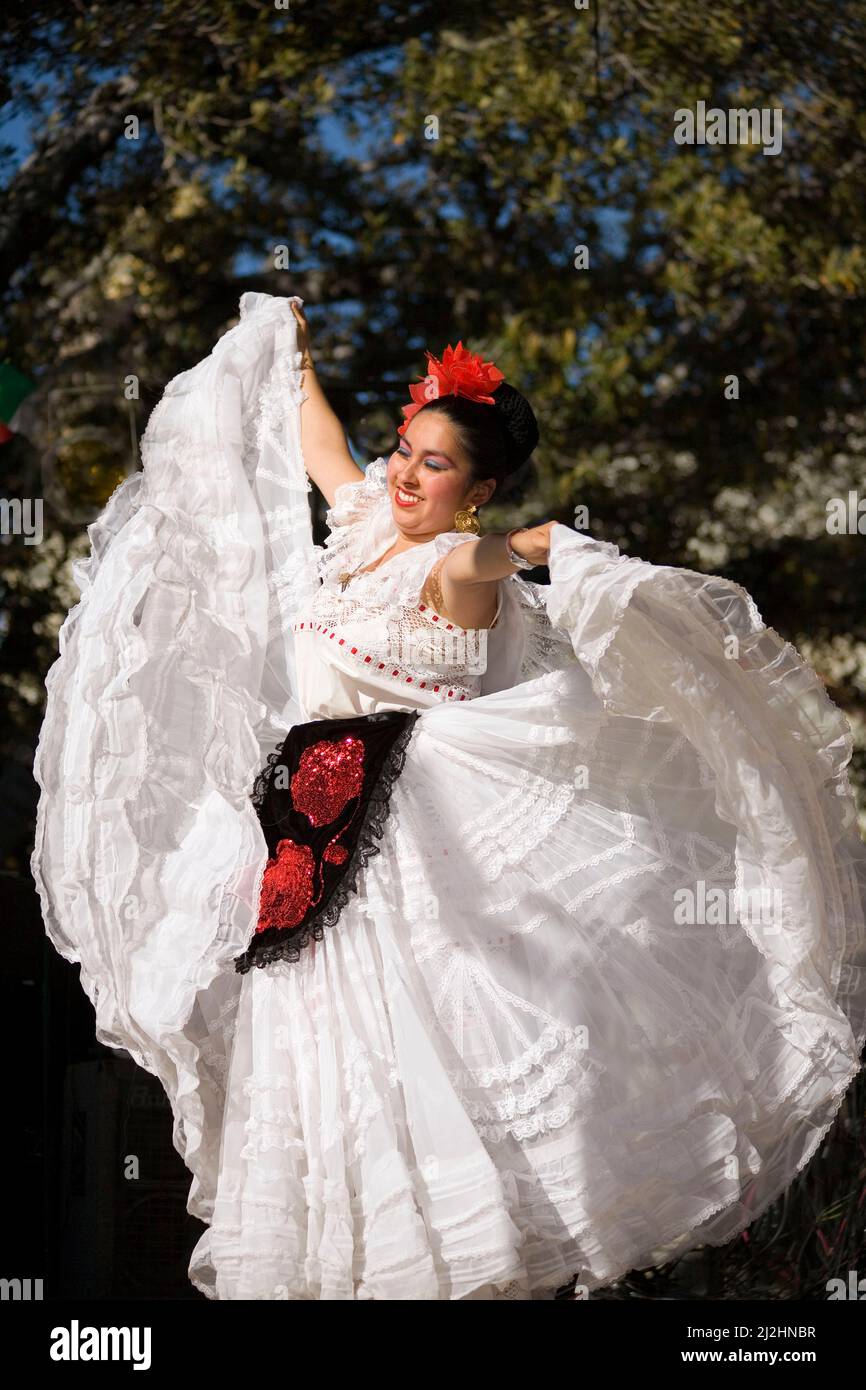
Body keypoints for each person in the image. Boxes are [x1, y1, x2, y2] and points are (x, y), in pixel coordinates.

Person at [31, 291, 866, 1301]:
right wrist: (287, 343)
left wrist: (540, 543)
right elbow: (322, 438)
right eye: (406, 449)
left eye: (435, 463)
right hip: (300, 847)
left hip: (395, 851)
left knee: (404, 1064)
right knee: (312, 1070)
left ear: (477, 488)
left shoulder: (452, 566)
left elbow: (497, 554)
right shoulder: (362, 527)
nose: (405, 472)